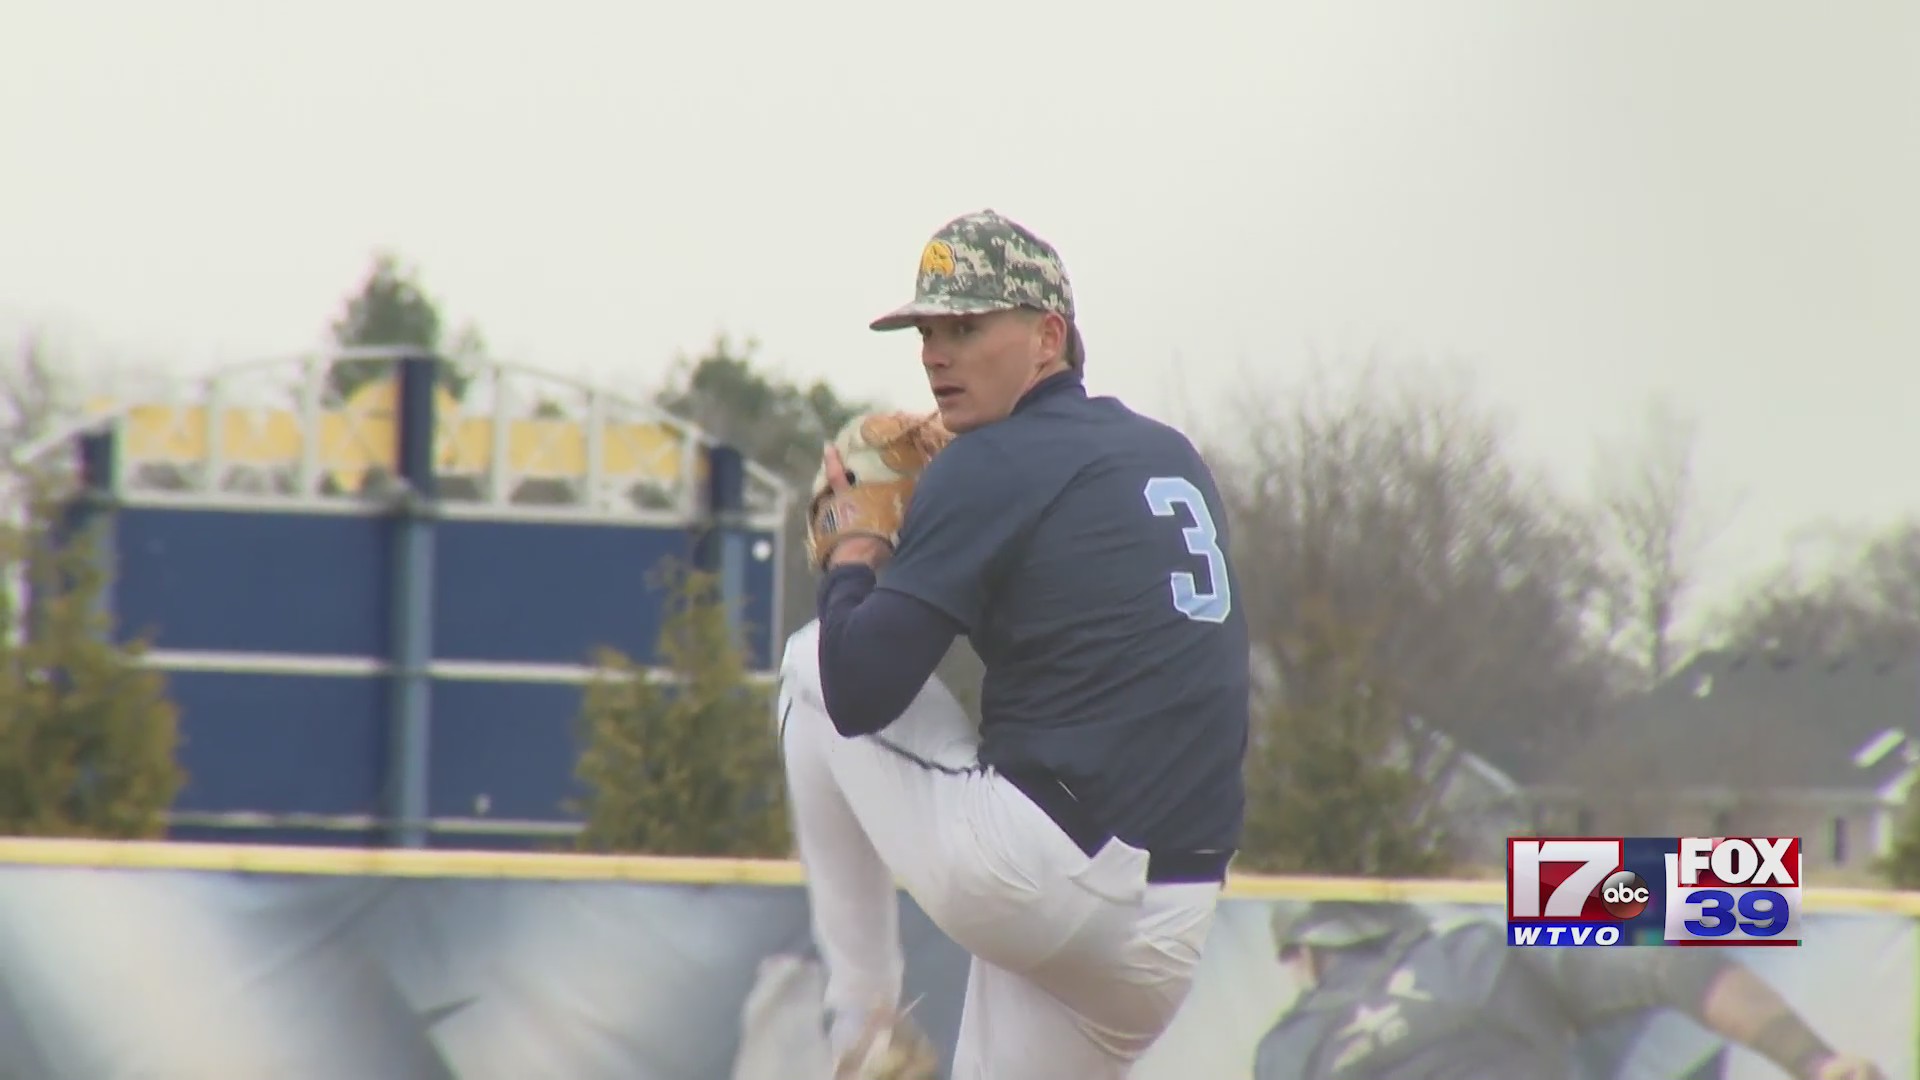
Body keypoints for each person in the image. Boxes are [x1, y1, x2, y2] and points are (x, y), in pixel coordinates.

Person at [780, 208, 1250, 1079]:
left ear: (1048, 336)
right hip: (1171, 932)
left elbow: (858, 689)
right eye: (927, 331)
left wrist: (857, 551)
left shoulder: (991, 463)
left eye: (965, 326)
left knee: (809, 662)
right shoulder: (1170, 455)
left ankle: (859, 1026)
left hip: (1044, 871)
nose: (934, 353)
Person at [1253, 900, 1888, 1080]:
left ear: (1303, 958)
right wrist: (1817, 1061)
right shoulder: (1482, 945)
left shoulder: (1288, 1045)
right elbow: (1683, 957)